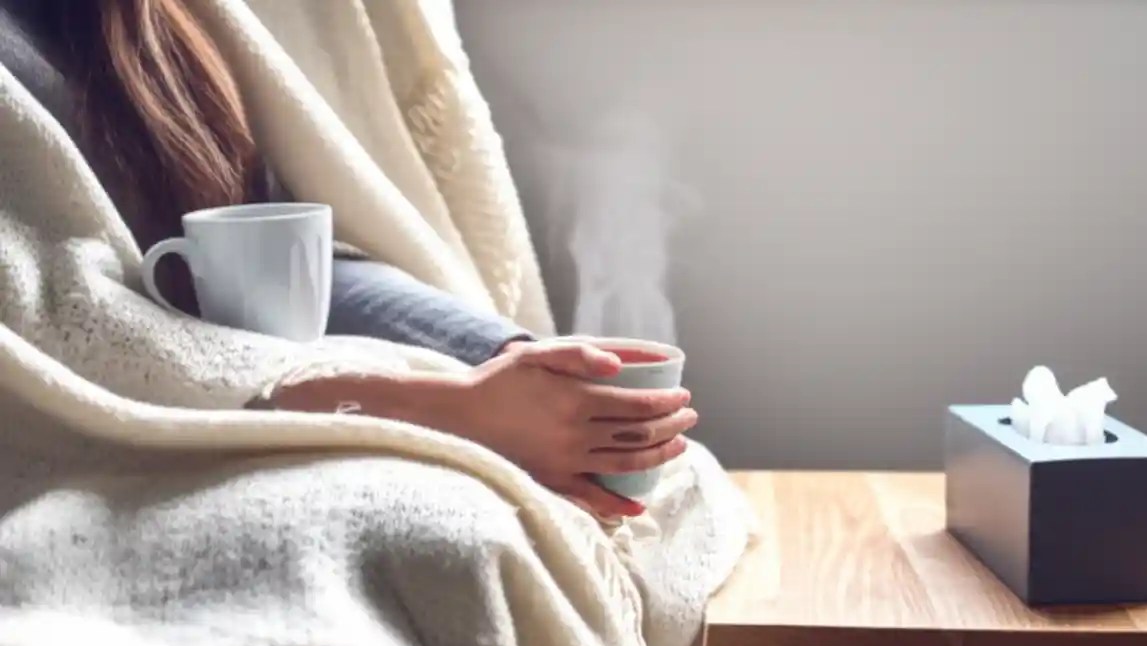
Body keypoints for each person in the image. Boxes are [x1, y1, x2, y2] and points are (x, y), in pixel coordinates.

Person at [0, 0, 697, 518]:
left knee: (666, 490)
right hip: (70, 476)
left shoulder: (149, 34)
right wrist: (440, 409)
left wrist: (512, 359)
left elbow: (287, 261)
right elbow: (64, 325)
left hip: (252, 412)